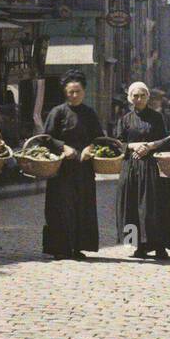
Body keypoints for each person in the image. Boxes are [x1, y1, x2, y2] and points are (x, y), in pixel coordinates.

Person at [42, 70, 104, 260]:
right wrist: (63, 147)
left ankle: (78, 247)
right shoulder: (57, 112)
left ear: (84, 92)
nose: (74, 95)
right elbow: (46, 138)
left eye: (77, 91)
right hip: (62, 169)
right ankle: (60, 248)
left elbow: (100, 137)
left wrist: (90, 148)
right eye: (71, 92)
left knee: (82, 207)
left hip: (83, 168)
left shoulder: (89, 113)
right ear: (65, 93)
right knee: (60, 207)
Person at [114, 81, 170, 260]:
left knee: (155, 207)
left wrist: (149, 146)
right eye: (135, 95)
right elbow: (118, 143)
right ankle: (137, 246)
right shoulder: (125, 119)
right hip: (132, 168)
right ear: (130, 98)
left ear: (148, 97)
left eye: (142, 95)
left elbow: (165, 139)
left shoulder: (157, 118)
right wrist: (134, 146)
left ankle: (159, 246)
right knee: (132, 206)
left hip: (153, 168)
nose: (139, 99)